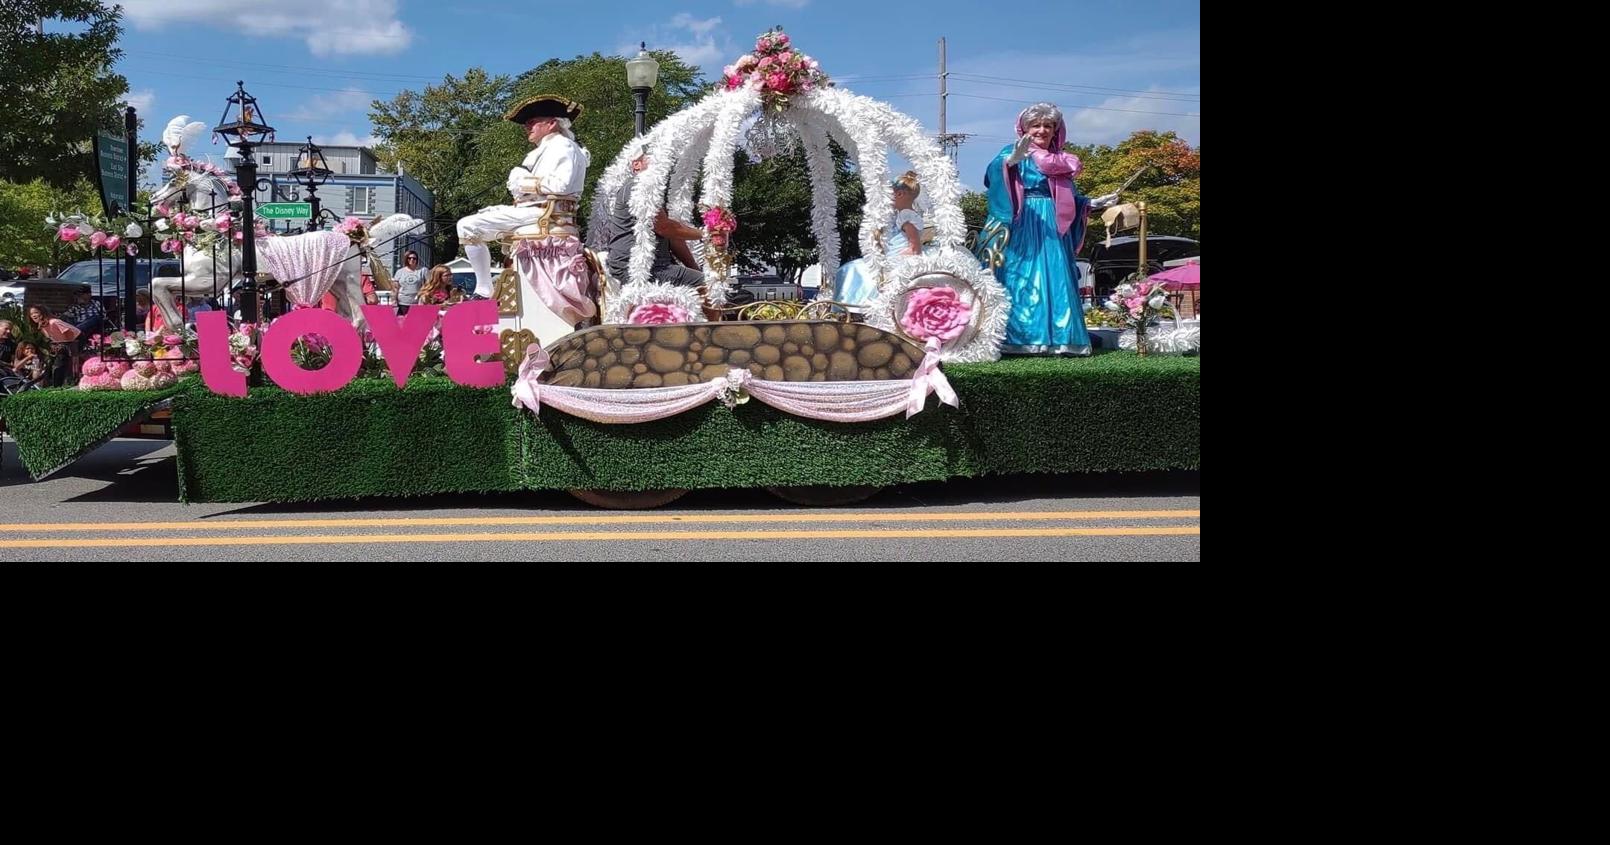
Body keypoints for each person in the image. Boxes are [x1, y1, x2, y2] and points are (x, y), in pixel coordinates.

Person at [973, 102, 1119, 356]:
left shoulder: (1060, 161)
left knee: (1057, 277)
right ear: (1025, 128)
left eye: (1048, 125)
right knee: (1023, 275)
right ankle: (1021, 339)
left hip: (1053, 226)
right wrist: (1010, 162)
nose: (1042, 130)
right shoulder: (1013, 151)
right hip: (1023, 221)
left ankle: (1062, 339)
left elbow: (1066, 198)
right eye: (1035, 125)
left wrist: (1091, 203)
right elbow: (992, 176)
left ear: (1056, 130)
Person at [455, 94, 592, 325]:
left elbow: (561, 186)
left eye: (533, 122)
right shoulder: (551, 148)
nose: (527, 127)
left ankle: (484, 288)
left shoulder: (563, 147)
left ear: (552, 123)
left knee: (467, 226)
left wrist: (522, 182)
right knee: (479, 218)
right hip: (539, 211)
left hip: (548, 215)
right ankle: (487, 289)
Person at [603, 154, 712, 290]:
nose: (662, 162)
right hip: (638, 269)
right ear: (636, 164)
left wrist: (695, 271)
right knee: (716, 287)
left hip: (657, 267)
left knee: (710, 283)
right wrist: (706, 234)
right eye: (654, 156)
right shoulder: (637, 187)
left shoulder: (653, 193)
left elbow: (673, 237)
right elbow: (664, 227)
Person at [834, 171, 926, 309]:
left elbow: (914, 247)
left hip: (900, 259)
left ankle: (854, 307)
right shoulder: (905, 215)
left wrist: (894, 258)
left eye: (889, 195)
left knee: (852, 269)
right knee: (856, 267)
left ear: (899, 194)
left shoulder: (906, 216)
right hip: (895, 256)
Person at [27, 304, 81, 387]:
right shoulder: (42, 327)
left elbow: (68, 331)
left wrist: (66, 343)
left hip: (75, 339)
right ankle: (56, 385)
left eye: (36, 312)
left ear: (43, 313)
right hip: (61, 344)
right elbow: (51, 338)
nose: (34, 315)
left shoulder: (53, 322)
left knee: (62, 362)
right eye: (31, 314)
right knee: (56, 363)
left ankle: (64, 383)